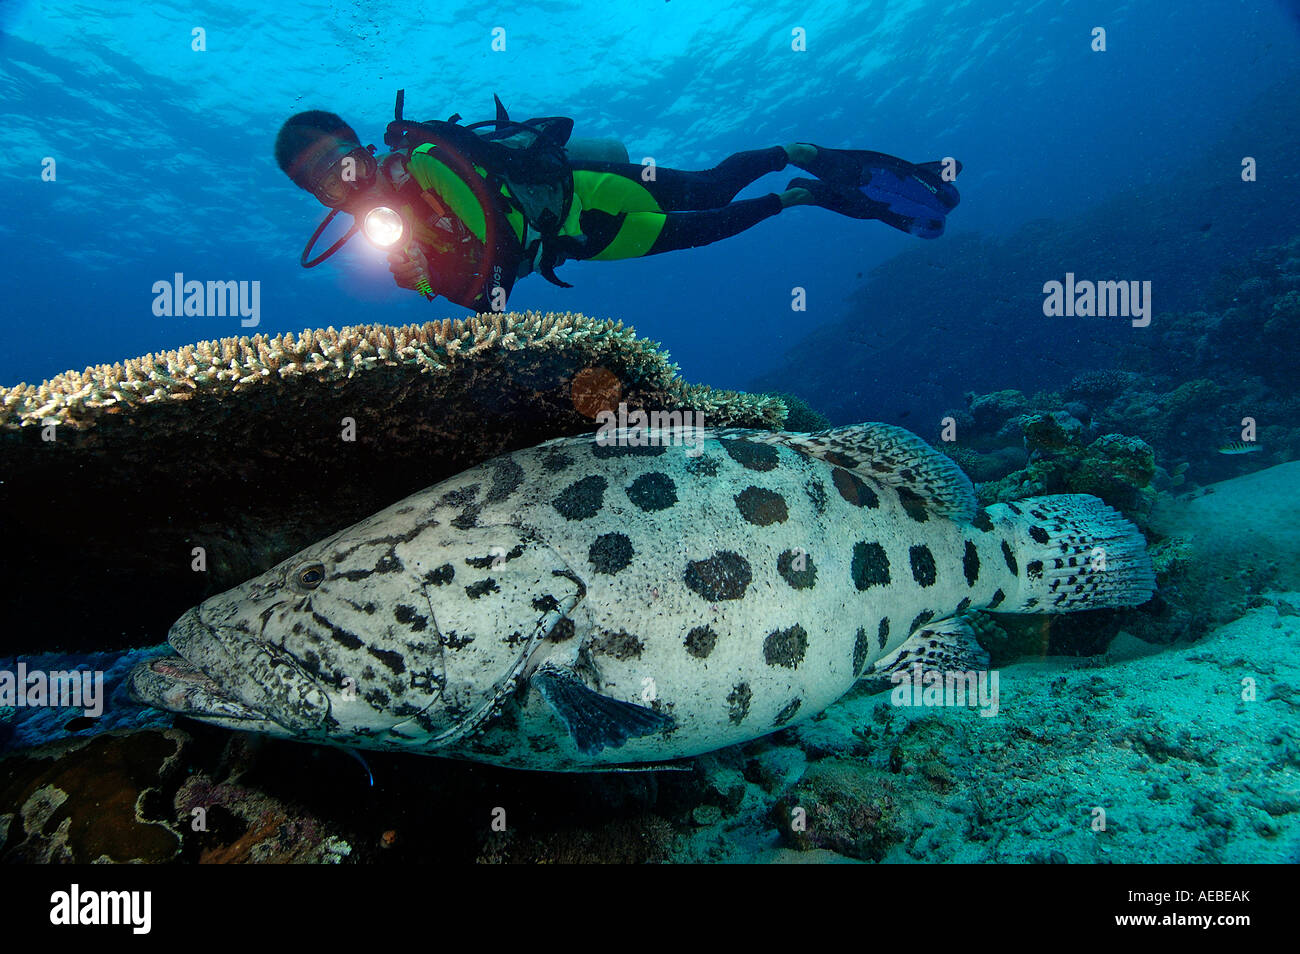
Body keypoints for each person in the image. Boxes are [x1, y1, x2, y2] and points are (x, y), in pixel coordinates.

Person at [274, 95, 961, 311]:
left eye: (343, 160)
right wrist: (416, 264)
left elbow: (495, 252)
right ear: (315, 195)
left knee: (713, 187)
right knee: (708, 229)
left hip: (588, 192)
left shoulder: (424, 163)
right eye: (324, 183)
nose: (345, 181)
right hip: (581, 243)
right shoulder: (381, 232)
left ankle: (794, 152)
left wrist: (473, 287)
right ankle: (798, 198)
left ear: (359, 145)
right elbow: (465, 292)